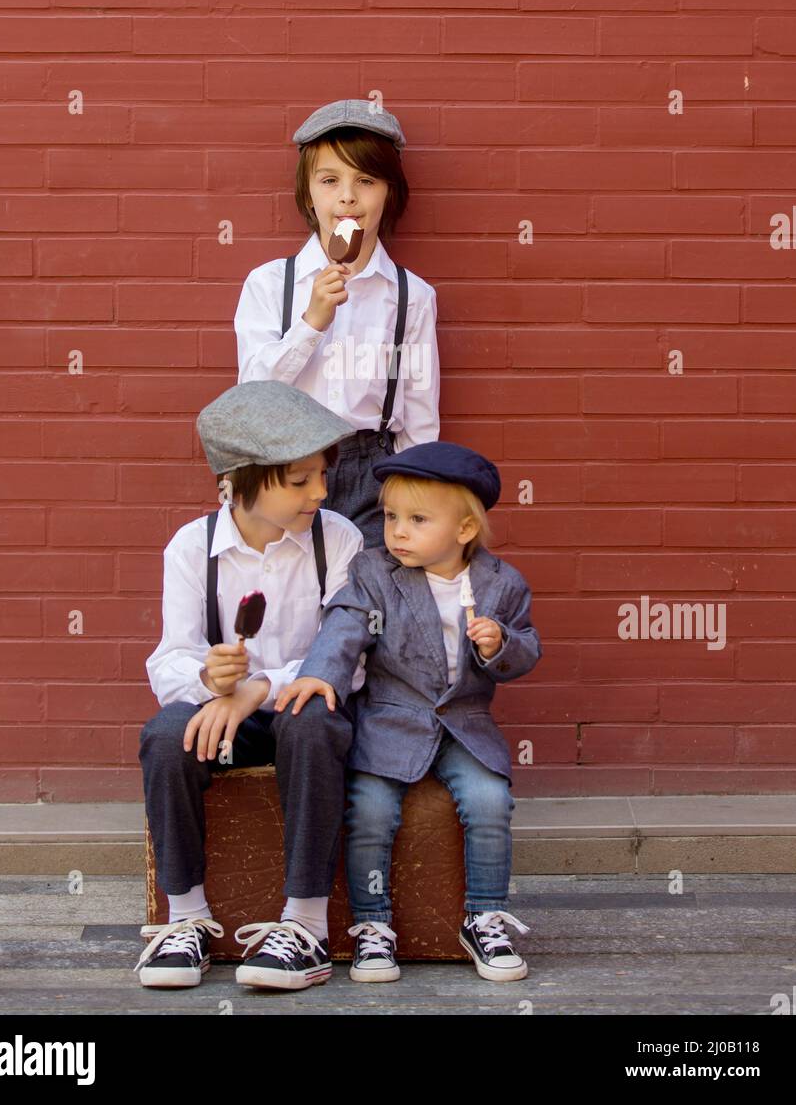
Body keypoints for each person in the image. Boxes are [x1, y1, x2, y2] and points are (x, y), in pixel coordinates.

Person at [275, 441, 542, 984]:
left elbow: (527, 650)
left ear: (464, 530)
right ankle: (373, 927)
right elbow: (346, 622)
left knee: (490, 801)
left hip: (463, 726)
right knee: (370, 811)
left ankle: (484, 916)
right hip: (389, 724)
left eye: (417, 520)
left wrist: (499, 645)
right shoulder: (375, 572)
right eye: (391, 516)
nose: (396, 531)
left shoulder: (501, 584)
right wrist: (320, 673)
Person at [134, 380, 365, 991]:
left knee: (311, 720)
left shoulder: (337, 538)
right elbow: (168, 661)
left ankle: (305, 926)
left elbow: (349, 659)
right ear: (239, 481)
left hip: (301, 720)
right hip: (227, 726)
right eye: (299, 480)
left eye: (321, 475)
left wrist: (258, 688)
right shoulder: (193, 547)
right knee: (163, 737)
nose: (319, 491)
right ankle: (185, 920)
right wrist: (209, 679)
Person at [234, 99, 439, 548]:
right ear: (309, 194)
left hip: (375, 474)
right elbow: (252, 395)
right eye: (330, 181)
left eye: (365, 181)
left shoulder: (412, 297)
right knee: (290, 602)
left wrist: (415, 503)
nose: (347, 196)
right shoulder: (270, 284)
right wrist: (311, 322)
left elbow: (419, 418)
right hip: (283, 465)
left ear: (389, 192)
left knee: (366, 607)